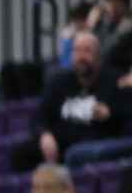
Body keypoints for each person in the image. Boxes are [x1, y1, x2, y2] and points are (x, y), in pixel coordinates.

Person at [16, 31, 130, 172]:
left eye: (87, 51)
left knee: (75, 154)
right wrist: (45, 134)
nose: (81, 57)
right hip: (62, 141)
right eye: (77, 51)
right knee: (22, 152)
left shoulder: (116, 80)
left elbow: (127, 110)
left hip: (96, 142)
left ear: (99, 56)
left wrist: (111, 112)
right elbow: (40, 117)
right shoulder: (60, 82)